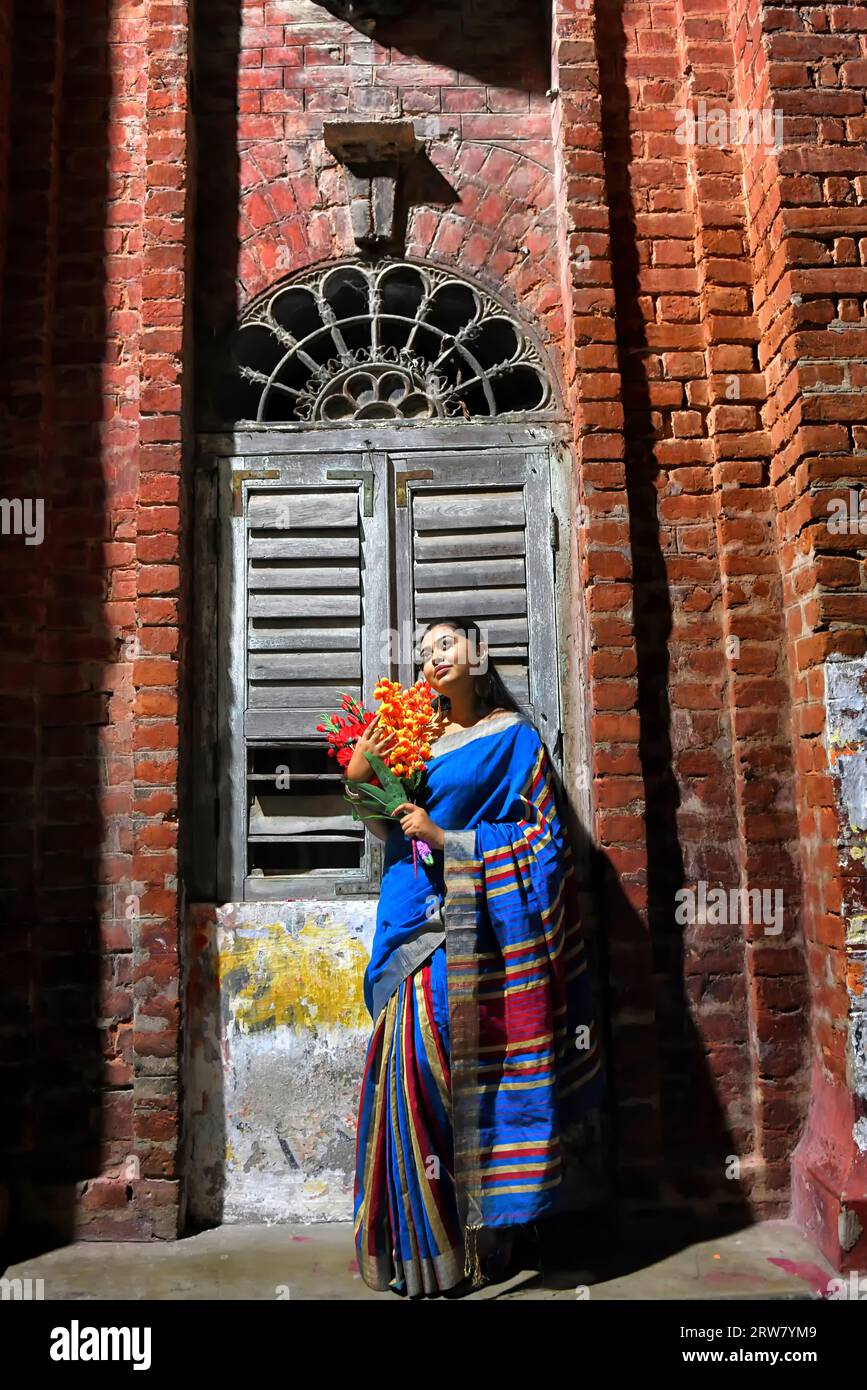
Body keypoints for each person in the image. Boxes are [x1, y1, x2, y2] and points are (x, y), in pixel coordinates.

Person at [345, 618, 605, 1297]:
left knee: (458, 1070)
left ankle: (493, 1234)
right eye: (423, 649)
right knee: (405, 1072)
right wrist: (360, 774)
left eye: (445, 645)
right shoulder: (412, 735)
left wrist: (450, 839)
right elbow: (388, 826)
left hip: (477, 926)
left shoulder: (513, 741)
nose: (430, 657)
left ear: (479, 655)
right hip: (408, 916)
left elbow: (545, 846)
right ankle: (425, 1249)